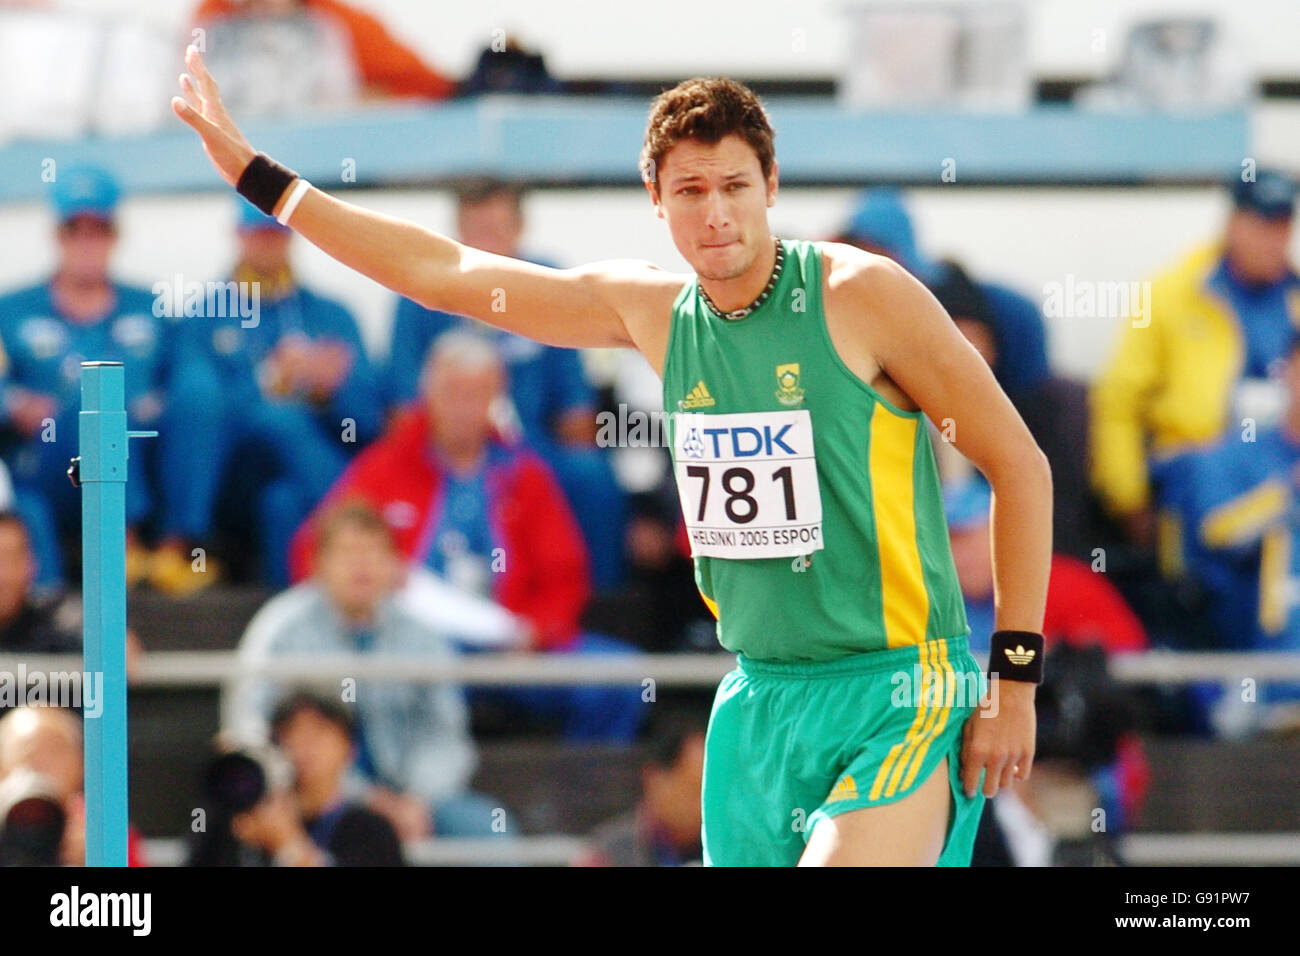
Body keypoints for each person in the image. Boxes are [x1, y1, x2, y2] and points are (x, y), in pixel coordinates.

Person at [174, 51, 1050, 867]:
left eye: (736, 186)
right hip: (761, 700)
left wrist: (1014, 682)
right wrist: (266, 182)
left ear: (771, 185)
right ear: (655, 198)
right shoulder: (650, 313)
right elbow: (443, 272)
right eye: (691, 189)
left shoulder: (862, 295)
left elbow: (1021, 466)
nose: (716, 213)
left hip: (894, 690)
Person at [292, 334, 646, 743]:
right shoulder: (384, 467)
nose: (462, 407)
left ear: (497, 399)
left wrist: (538, 631)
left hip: (511, 652)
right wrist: (371, 590)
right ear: (426, 394)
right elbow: (312, 551)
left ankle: (571, 795)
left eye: (476, 393)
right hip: (412, 651)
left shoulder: (526, 476)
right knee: (362, 688)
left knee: (623, 678)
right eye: (451, 392)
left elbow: (565, 576)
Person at [386, 178, 627, 589]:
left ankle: (601, 606)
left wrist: (523, 469)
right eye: (474, 230)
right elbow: (402, 412)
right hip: (445, 452)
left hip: (532, 449)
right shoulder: (421, 292)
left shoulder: (551, 284)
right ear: (457, 232)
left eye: (495, 230)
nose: (485, 243)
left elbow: (577, 412)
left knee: (591, 477)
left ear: (519, 229)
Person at [225, 499, 504, 840]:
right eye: (347, 552)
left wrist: (415, 800)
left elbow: (445, 734)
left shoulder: (423, 636)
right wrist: (368, 800)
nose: (362, 565)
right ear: (318, 564)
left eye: (373, 552)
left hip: (418, 802)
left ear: (394, 564)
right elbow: (258, 733)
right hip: (317, 800)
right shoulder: (285, 634)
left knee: (487, 829)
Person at [164, 196, 383, 590]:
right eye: (258, 233)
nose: (267, 243)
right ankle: (362, 529)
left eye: (276, 234)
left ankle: (307, 597)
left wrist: (329, 389)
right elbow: (189, 419)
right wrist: (269, 380)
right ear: (239, 235)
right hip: (231, 477)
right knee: (277, 417)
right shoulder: (202, 316)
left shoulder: (332, 315)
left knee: (281, 502)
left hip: (299, 476)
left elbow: (369, 421)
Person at [1090, 169, 1299, 564]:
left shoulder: (1293, 299)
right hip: (1196, 475)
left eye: (1284, 229)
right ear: (1234, 224)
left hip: (1282, 472)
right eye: (1264, 227)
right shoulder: (1173, 294)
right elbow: (1119, 402)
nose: (1276, 242)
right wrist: (1128, 498)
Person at [0, 165, 177, 591]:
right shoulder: (12, 309)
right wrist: (12, 403)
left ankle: (172, 540)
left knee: (111, 405)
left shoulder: (151, 306)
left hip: (138, 455)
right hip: (48, 461)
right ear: (56, 236)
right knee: (90, 400)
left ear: (115, 235)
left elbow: (187, 382)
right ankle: (125, 539)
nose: (85, 241)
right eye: (73, 229)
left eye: (98, 229)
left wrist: (159, 402)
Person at [0, 707, 146, 866]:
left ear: (81, 765)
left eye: (55, 752)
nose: (41, 763)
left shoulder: (105, 830)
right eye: (27, 752)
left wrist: (98, 859)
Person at [573, 709, 707, 866]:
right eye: (694, 790)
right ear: (655, 778)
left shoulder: (734, 850)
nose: (703, 807)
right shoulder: (605, 856)